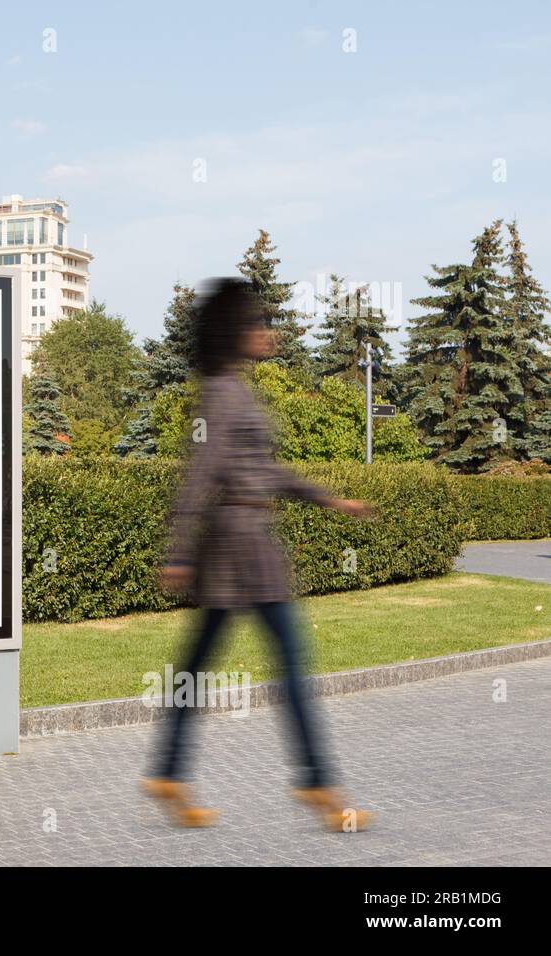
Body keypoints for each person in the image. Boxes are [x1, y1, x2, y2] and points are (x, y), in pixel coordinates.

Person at [143, 278, 376, 832]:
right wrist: (178, 551)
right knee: (292, 668)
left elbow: (264, 470)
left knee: (198, 668)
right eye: (258, 323)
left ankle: (170, 773)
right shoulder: (222, 393)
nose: (267, 333)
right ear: (236, 331)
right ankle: (319, 784)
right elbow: (199, 474)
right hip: (241, 551)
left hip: (242, 545)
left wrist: (327, 498)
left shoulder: (236, 390)